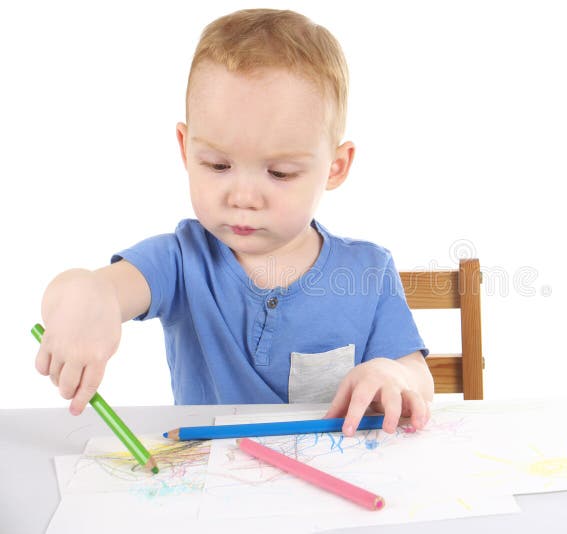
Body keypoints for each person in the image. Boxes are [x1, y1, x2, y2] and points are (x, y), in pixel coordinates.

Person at [35, 8, 433, 437]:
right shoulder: (182, 260)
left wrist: (395, 376)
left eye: (279, 173)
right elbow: (102, 289)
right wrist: (83, 294)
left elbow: (416, 377)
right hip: (215, 490)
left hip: (338, 490)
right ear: (186, 150)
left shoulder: (369, 270)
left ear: (335, 167)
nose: (242, 197)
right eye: (218, 165)